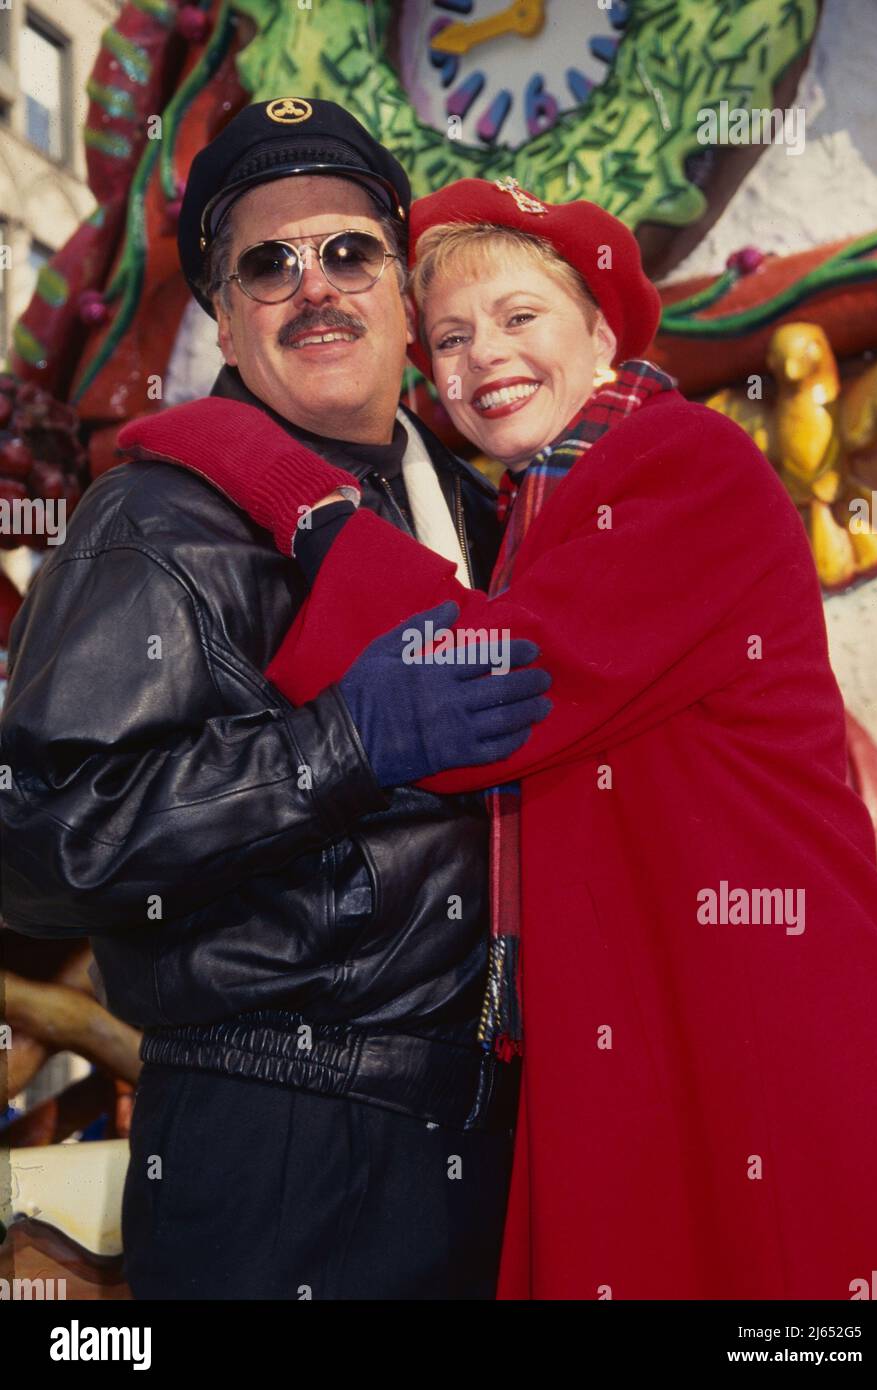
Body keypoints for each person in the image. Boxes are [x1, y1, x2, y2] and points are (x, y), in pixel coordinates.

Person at [160, 177, 877, 1300]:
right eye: (451, 338)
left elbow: (489, 691)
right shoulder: (530, 516)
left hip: (757, 1017)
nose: (480, 359)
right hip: (647, 1017)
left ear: (604, 332)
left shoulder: (681, 464)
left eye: (520, 317)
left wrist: (291, 491)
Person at [0, 109, 554, 1300]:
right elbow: (38, 844)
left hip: (500, 1146)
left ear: (406, 294)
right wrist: (338, 746)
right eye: (268, 263)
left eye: (350, 252)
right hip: (279, 1145)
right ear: (223, 317)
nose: (316, 288)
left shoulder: (499, 514)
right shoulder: (153, 521)